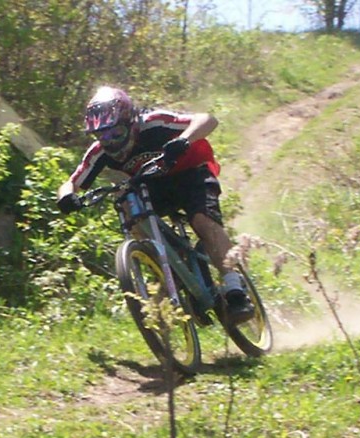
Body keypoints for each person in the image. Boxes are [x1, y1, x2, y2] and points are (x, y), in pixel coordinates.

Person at [56, 86, 254, 322]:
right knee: (128, 206)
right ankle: (170, 265)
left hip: (191, 173)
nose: (109, 142)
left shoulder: (153, 123)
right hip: (152, 185)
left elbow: (207, 120)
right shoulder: (100, 152)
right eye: (101, 136)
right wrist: (66, 197)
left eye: (115, 133)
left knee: (202, 221)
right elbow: (71, 182)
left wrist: (183, 140)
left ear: (130, 122)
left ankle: (235, 290)